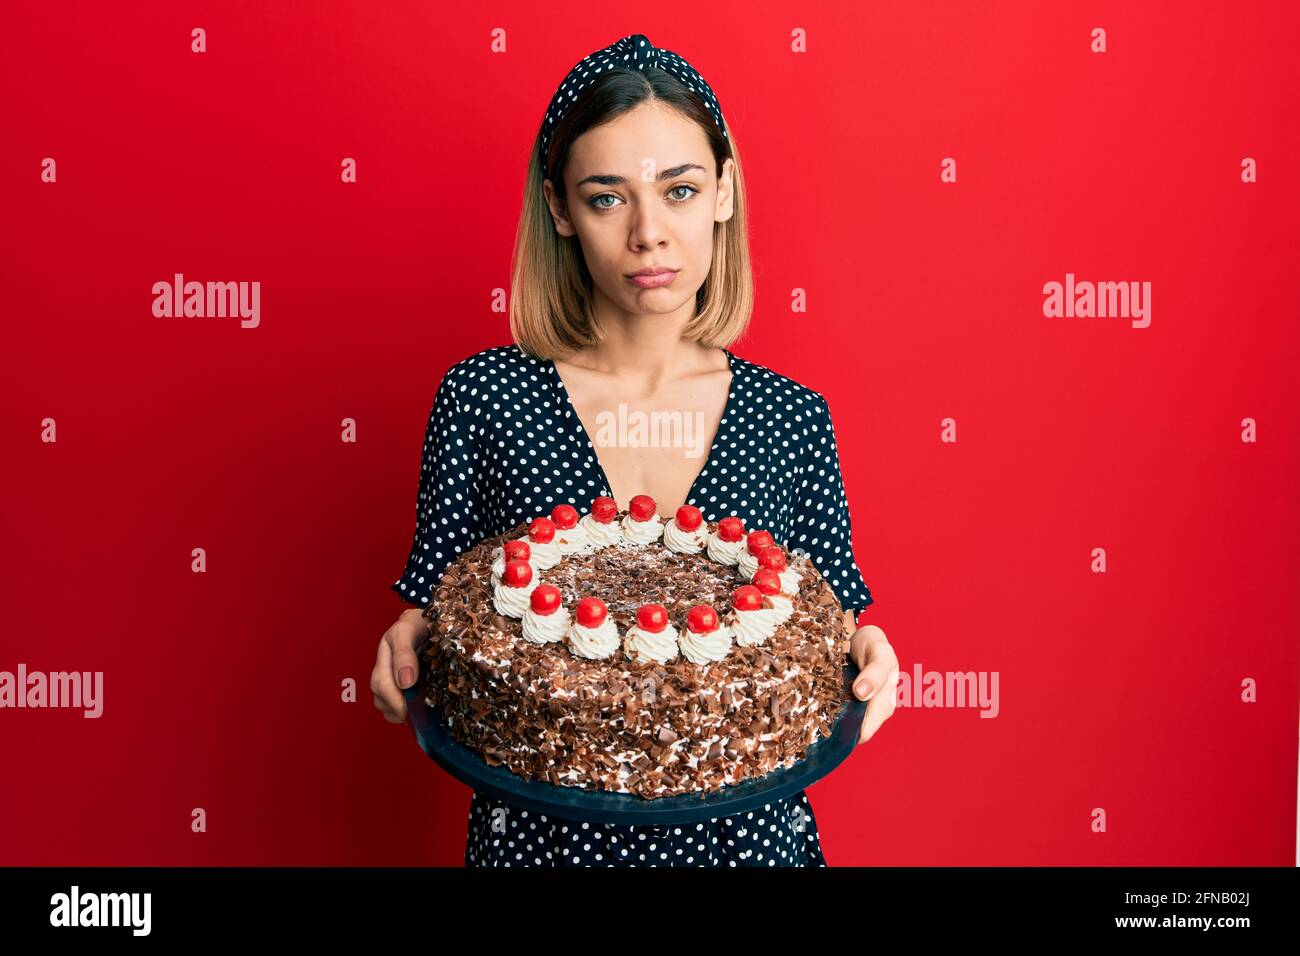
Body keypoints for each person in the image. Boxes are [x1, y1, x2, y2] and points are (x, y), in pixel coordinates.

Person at [371, 33, 899, 866]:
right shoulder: (483, 398)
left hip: (749, 847)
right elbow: (438, 607)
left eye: (680, 190)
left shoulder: (792, 417)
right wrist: (406, 641)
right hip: (539, 848)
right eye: (607, 198)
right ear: (559, 209)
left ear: (723, 193)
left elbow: (827, 624)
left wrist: (867, 654)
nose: (649, 234)